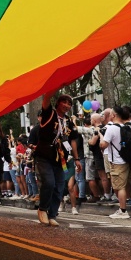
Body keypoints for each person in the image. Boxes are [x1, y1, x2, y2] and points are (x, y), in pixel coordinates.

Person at [31, 92, 81, 226]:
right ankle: (42, 209)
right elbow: (46, 98)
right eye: (64, 102)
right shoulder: (50, 114)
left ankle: (52, 214)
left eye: (69, 104)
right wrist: (53, 87)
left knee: (59, 186)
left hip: (61, 158)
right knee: (49, 182)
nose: (67, 105)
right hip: (44, 156)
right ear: (58, 103)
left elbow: (73, 141)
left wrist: (76, 159)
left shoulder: (69, 121)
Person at [99, 105, 131, 219]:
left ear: (114, 115)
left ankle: (123, 210)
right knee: (123, 185)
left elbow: (103, 145)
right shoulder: (125, 127)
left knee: (119, 187)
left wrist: (101, 135)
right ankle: (123, 207)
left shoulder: (111, 128)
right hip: (127, 160)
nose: (109, 116)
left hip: (117, 161)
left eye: (111, 114)